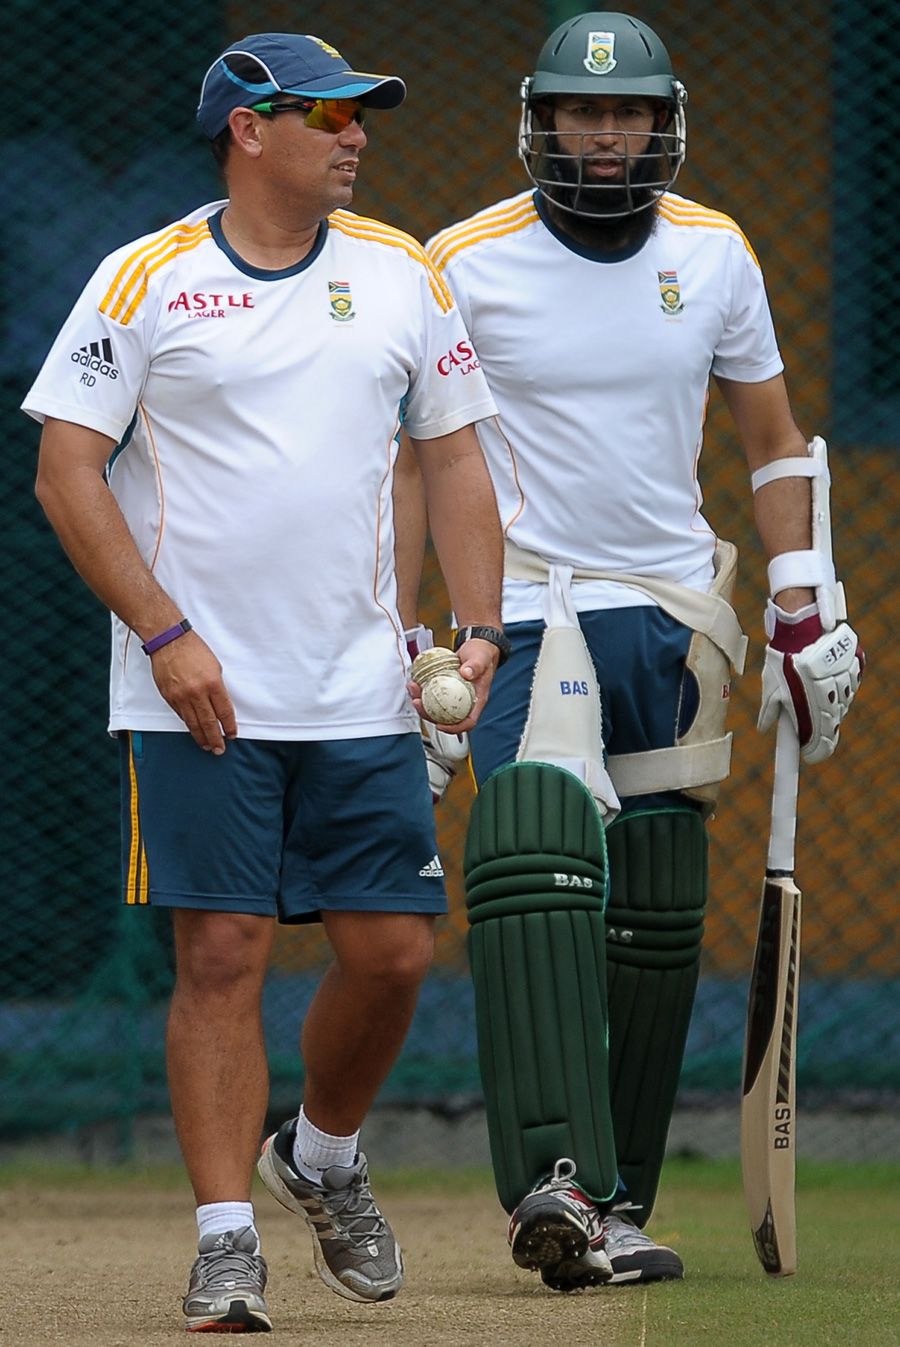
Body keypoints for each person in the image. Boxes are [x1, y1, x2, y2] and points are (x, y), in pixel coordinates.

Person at [24, 31, 507, 1333]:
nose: (358, 137)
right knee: (223, 952)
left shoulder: (403, 273)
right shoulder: (147, 276)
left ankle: (325, 1155)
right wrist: (164, 632)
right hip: (196, 691)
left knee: (394, 954)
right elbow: (66, 470)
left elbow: (456, 457)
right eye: (330, 117)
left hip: (365, 687)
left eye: (362, 117)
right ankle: (226, 1242)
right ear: (249, 129)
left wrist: (479, 623)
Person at [413, 10, 864, 1291]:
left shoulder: (715, 251)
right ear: (541, 121)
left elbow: (773, 441)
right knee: (539, 868)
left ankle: (613, 1205)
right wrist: (409, 631)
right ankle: (551, 1178)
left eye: (629, 113)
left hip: (670, 614)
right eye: (582, 111)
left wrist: (802, 608)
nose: (605, 133)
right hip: (526, 611)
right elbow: (415, 459)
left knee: (656, 905)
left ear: (664, 125)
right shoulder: (462, 260)